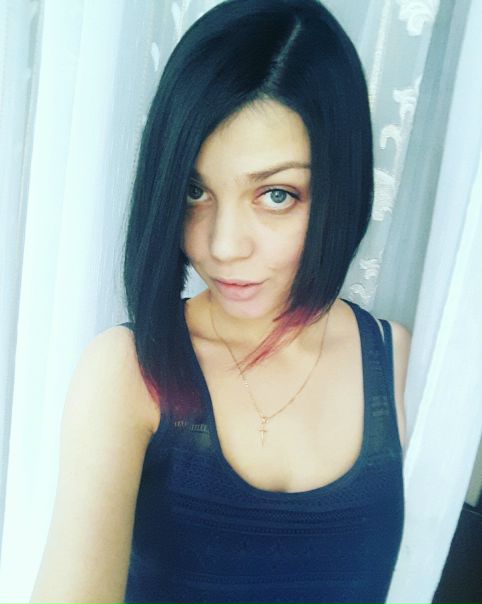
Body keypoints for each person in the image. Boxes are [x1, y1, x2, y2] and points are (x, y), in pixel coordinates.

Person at [30, 0, 411, 603]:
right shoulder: (129, 371)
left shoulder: (397, 363)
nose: (222, 246)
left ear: (342, 185)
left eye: (276, 194)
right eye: (194, 190)